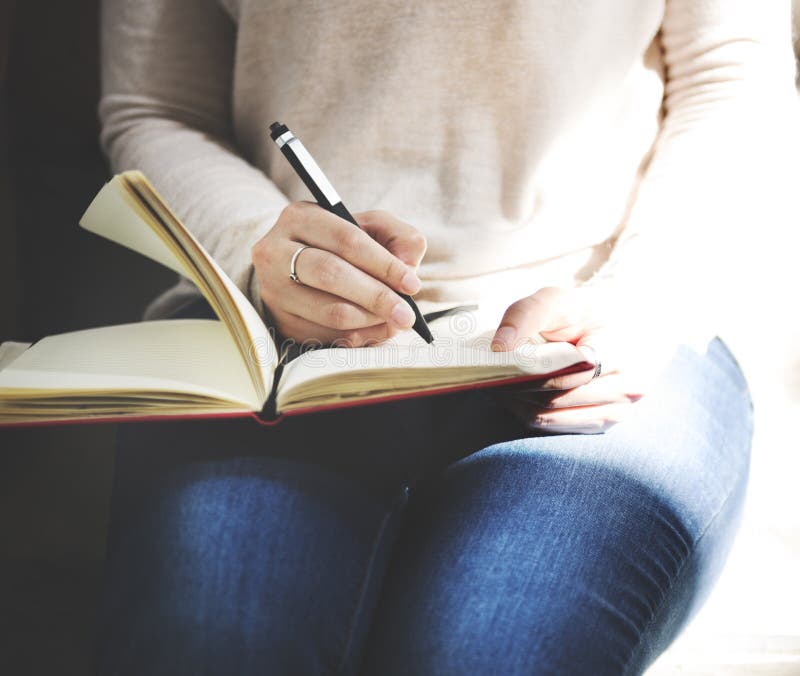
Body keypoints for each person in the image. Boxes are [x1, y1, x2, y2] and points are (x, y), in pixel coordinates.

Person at [94, 1, 795, 674]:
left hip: (593, 320)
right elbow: (158, 107)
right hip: (274, 335)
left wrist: (640, 296)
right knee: (218, 641)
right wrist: (260, 251)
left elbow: (733, 72)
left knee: (490, 654)